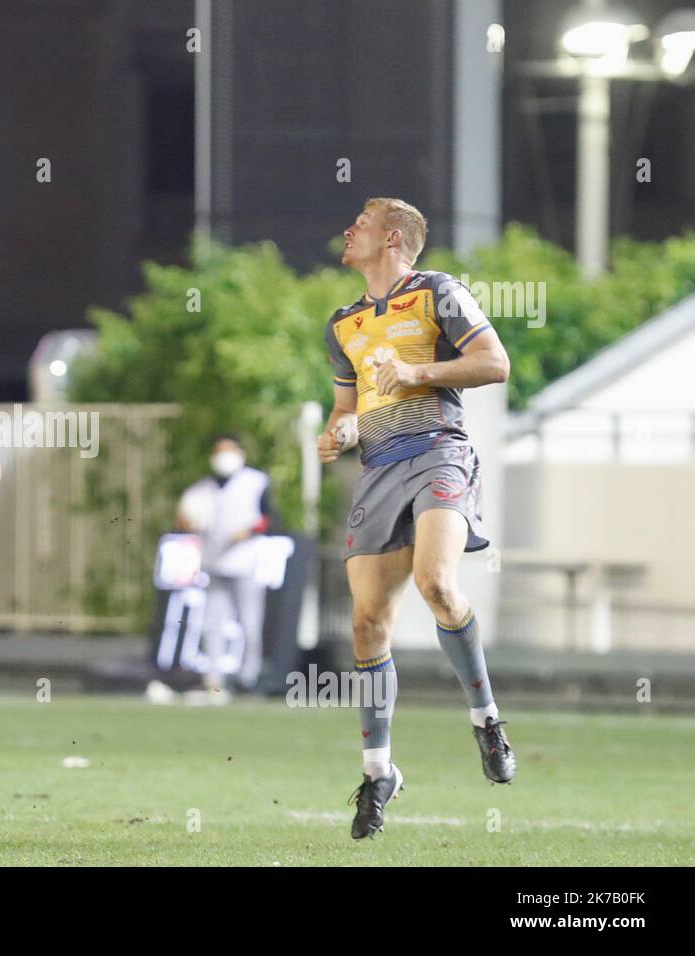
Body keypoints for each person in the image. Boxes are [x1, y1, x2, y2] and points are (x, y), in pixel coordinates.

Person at [318, 198, 516, 840]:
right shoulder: (343, 323)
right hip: (377, 469)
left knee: (438, 583)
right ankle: (379, 772)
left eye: (363, 223)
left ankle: (486, 718)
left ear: (394, 238)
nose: (350, 229)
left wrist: (416, 371)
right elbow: (346, 410)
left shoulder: (438, 293)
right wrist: (337, 434)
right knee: (368, 621)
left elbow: (495, 363)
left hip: (438, 451)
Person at [175, 435, 275, 695]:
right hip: (214, 561)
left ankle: (248, 677)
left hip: (245, 561)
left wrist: (249, 531)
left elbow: (268, 517)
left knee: (250, 621)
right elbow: (186, 520)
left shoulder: (256, 482)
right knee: (213, 622)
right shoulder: (202, 489)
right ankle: (213, 679)